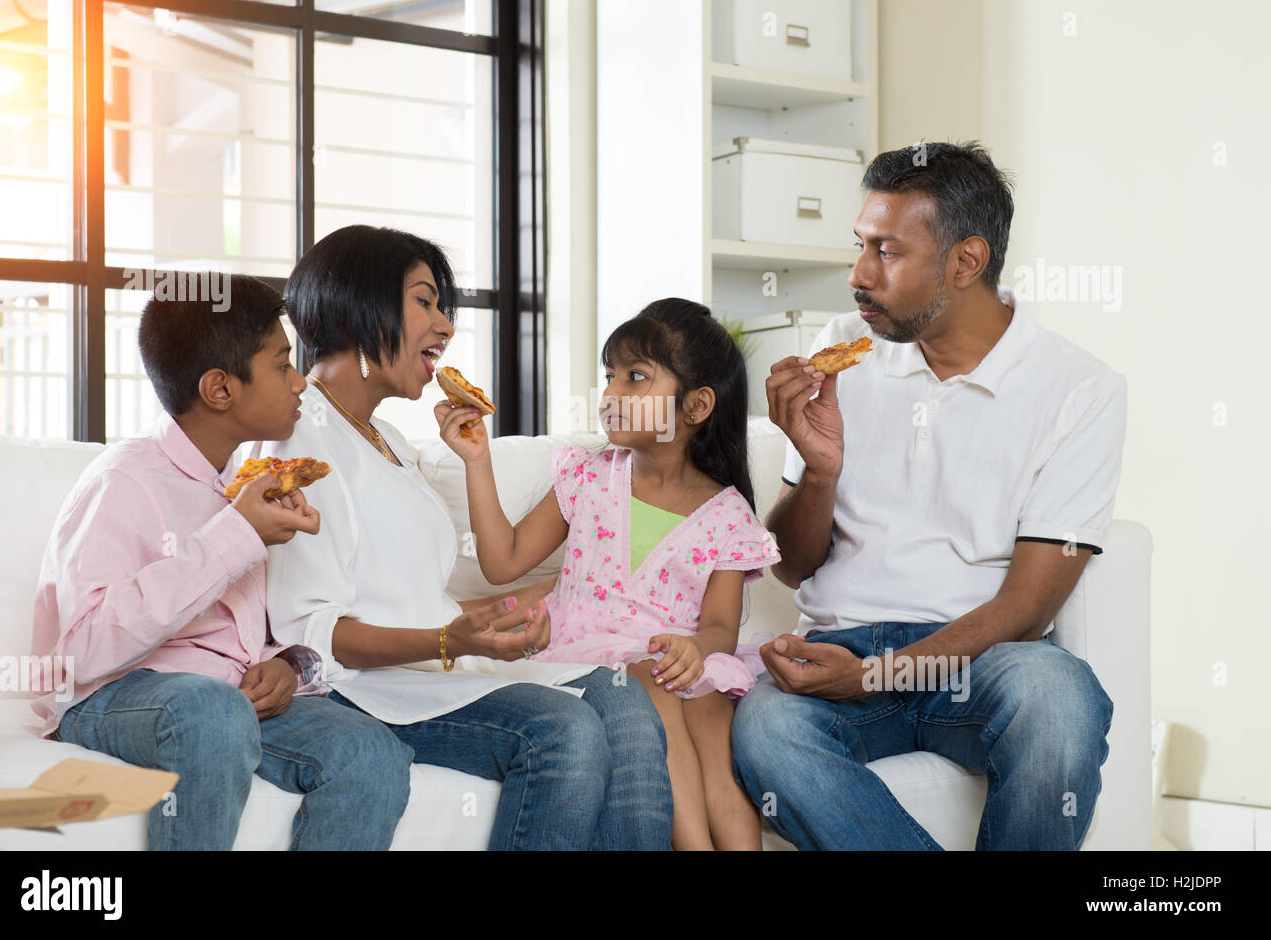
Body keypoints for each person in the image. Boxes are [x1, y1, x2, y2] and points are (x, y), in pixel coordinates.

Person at [732, 141, 1126, 850]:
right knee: (766, 731)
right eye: (860, 245)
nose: (857, 274)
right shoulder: (841, 348)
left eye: (886, 251)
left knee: (1060, 698)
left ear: (965, 262)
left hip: (982, 661)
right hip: (838, 642)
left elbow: (1026, 606)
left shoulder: (1078, 389)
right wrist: (819, 470)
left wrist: (879, 675)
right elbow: (792, 565)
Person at [257, 225, 673, 850]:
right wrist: (451, 640)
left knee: (625, 698)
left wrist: (535, 605)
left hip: (434, 662)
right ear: (357, 307)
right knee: (563, 731)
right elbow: (310, 634)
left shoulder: (389, 441)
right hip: (363, 689)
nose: (446, 326)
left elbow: (424, 601)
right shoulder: (301, 435)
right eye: (424, 302)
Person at [30, 274, 411, 850]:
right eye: (282, 365)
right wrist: (236, 535)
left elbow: (250, 632)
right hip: (110, 696)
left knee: (371, 751)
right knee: (212, 713)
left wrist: (288, 665)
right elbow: (82, 650)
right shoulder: (124, 479)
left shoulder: (245, 482)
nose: (300, 382)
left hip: (228, 697)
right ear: (219, 389)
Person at [440, 298, 780, 851]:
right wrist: (477, 461)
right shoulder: (586, 476)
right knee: (658, 690)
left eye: (635, 378)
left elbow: (721, 627)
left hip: (680, 656)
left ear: (695, 406)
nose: (611, 394)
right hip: (593, 653)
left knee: (714, 718)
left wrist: (696, 649)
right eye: (609, 376)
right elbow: (501, 562)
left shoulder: (728, 514)